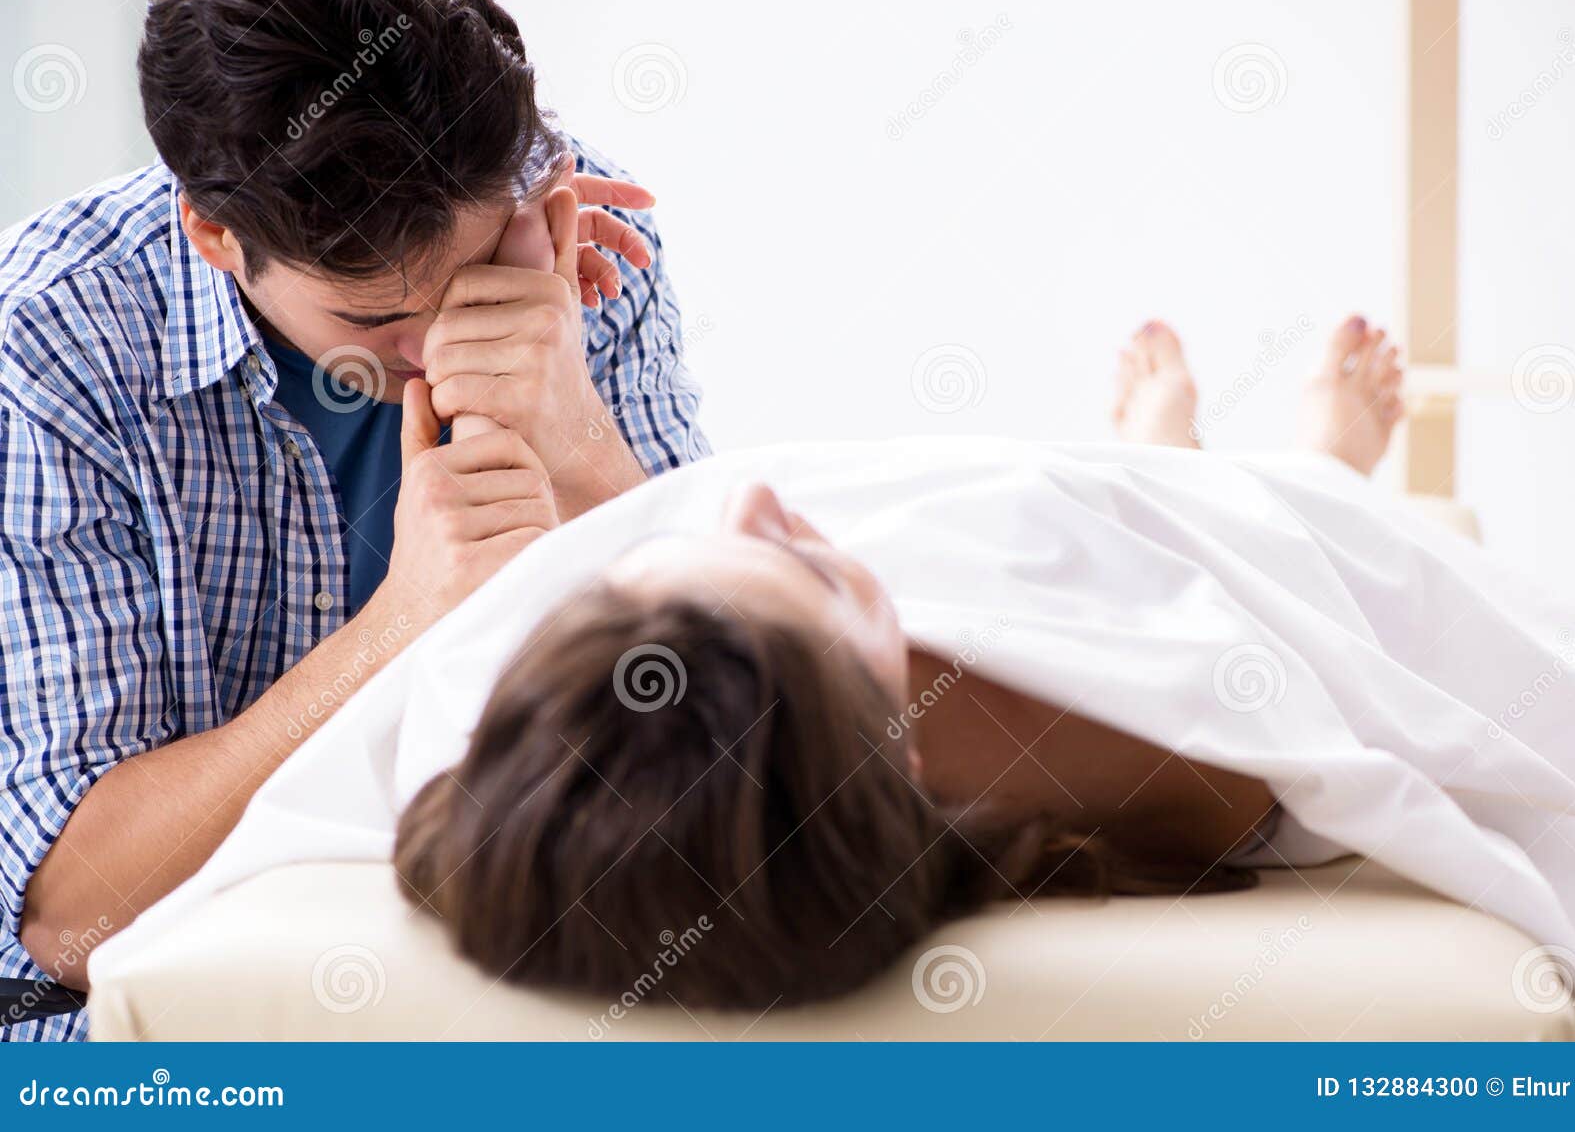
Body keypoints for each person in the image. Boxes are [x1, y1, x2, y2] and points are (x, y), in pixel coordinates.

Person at [0, 0, 707, 1040]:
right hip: (129, 1023)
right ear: (213, 233)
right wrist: (401, 624)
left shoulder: (569, 242)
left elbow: (739, 714)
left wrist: (576, 439)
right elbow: (72, 925)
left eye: (467, 277)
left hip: (490, 963)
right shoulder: (46, 347)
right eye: (374, 316)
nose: (433, 348)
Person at [394, 316, 1414, 1010]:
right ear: (903, 745)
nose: (753, 497)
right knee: (1246, 525)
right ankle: (1277, 463)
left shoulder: (521, 757)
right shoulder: (1178, 756)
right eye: (812, 571)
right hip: (1178, 592)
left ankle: (1165, 454)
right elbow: (1269, 600)